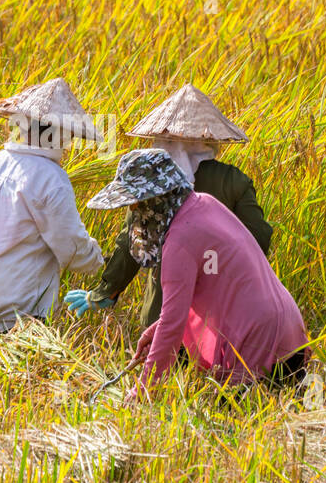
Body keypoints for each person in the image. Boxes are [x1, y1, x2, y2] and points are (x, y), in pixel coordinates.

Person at [86, 149, 309, 400]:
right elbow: (200, 295)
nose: (135, 214)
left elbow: (173, 323)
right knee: (289, 424)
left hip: (257, 343)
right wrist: (156, 330)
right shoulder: (204, 203)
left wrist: (142, 390)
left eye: (136, 205)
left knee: (232, 432)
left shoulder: (180, 242)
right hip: (288, 332)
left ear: (155, 201)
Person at [65, 84, 271, 329]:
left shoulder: (150, 181)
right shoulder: (233, 180)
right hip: (219, 311)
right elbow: (260, 236)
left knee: (165, 362)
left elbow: (131, 243)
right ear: (209, 138)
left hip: (162, 313)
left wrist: (105, 291)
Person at [0, 78, 104, 332]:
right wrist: (98, 258)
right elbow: (72, 249)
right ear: (60, 133)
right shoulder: (51, 178)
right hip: (16, 312)